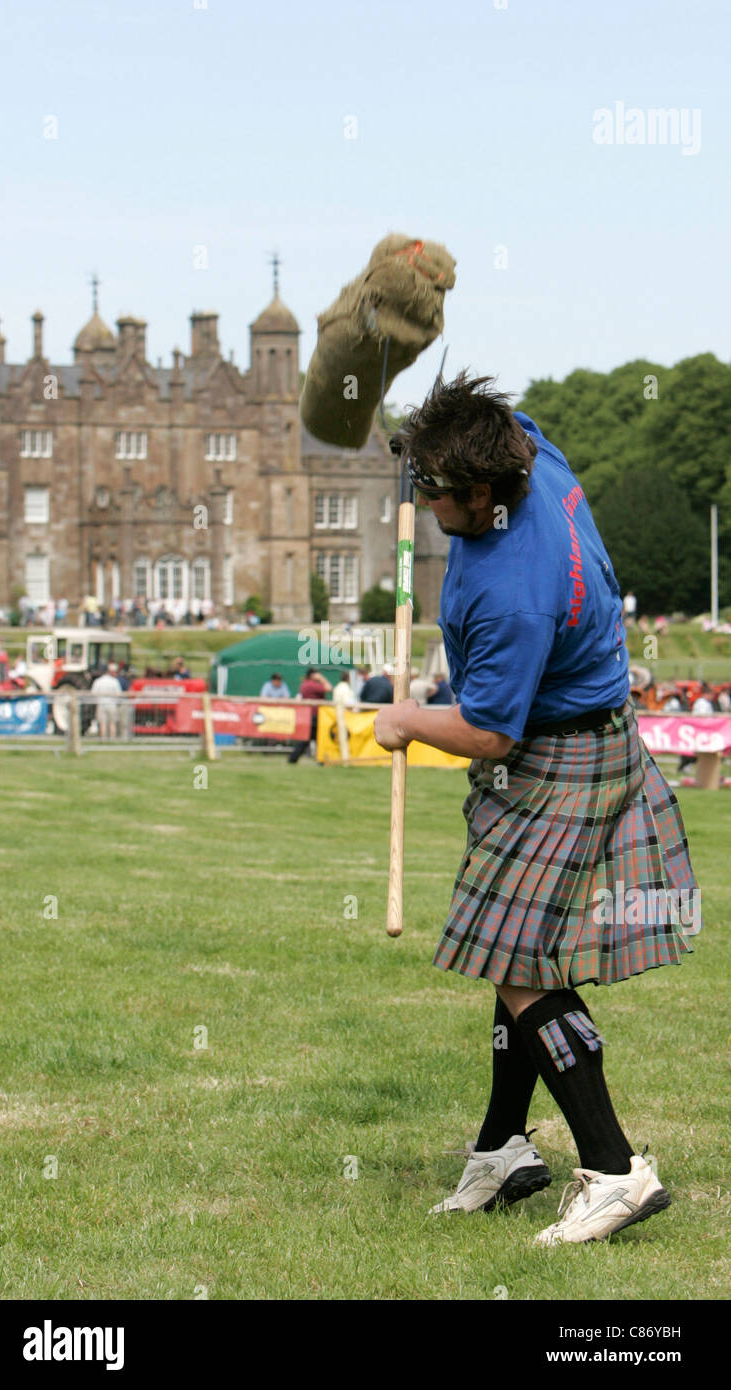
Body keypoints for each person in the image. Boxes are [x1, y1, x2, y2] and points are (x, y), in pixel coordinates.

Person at [374, 373, 699, 1246]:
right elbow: (482, 420)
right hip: (588, 733)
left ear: (484, 493)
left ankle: (616, 1168)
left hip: (559, 754)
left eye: (436, 492)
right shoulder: (526, 444)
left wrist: (405, 719)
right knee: (513, 947)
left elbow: (489, 734)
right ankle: (505, 1148)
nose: (425, 499)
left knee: (522, 966)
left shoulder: (509, 589)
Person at [287, 667, 331, 763]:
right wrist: (322, 679)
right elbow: (328, 688)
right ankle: (321, 759)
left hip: (309, 715)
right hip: (315, 715)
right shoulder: (312, 685)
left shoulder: (305, 684)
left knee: (309, 738)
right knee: (315, 738)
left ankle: (294, 758)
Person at [91, 660, 124, 740]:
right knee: (112, 723)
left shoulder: (98, 681)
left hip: (101, 704)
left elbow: (93, 693)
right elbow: (119, 694)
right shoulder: (115, 681)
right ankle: (112, 739)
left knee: (103, 723)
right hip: (112, 705)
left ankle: (103, 739)